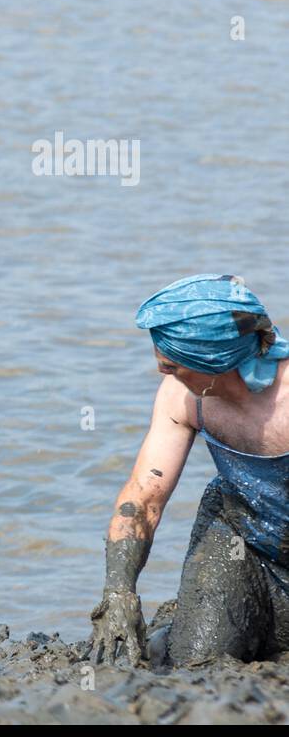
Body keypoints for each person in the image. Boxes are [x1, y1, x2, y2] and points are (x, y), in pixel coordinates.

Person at [88, 274, 289, 668]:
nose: (163, 372)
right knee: (196, 663)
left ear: (213, 360)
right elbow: (144, 498)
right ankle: (181, 630)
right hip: (242, 536)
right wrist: (118, 593)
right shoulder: (182, 397)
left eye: (174, 365)